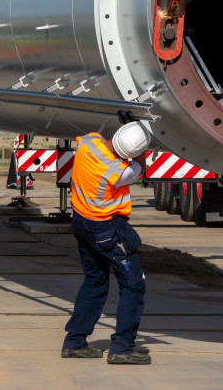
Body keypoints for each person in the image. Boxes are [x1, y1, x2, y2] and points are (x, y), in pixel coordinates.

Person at [61, 121, 151, 365]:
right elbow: (139, 167)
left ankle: (75, 342)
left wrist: (127, 127)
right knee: (133, 285)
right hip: (105, 229)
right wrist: (140, 148)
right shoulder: (118, 171)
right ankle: (122, 348)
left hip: (81, 222)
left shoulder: (89, 142)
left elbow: (95, 137)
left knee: (95, 280)